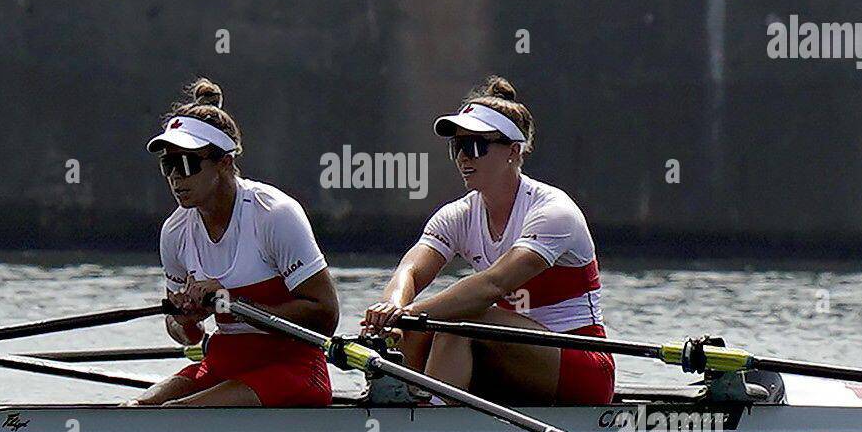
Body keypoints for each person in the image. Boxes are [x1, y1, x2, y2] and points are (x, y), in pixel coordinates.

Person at [363, 76, 614, 405]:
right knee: (423, 325)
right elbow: (410, 271)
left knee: (461, 316)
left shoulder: (554, 212)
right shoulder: (458, 215)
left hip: (583, 368)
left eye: (475, 147)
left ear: (513, 151)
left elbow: (492, 286)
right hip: (512, 357)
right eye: (457, 146)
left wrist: (407, 317)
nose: (463, 158)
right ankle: (413, 406)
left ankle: (427, 426)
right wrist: (392, 312)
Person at [134, 78, 339, 407]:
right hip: (223, 365)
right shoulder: (175, 232)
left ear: (224, 163)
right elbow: (188, 335)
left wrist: (234, 303)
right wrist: (186, 318)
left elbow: (327, 316)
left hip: (293, 368)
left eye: (187, 164)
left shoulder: (274, 215)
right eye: (168, 165)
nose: (175, 176)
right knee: (136, 410)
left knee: (175, 414)